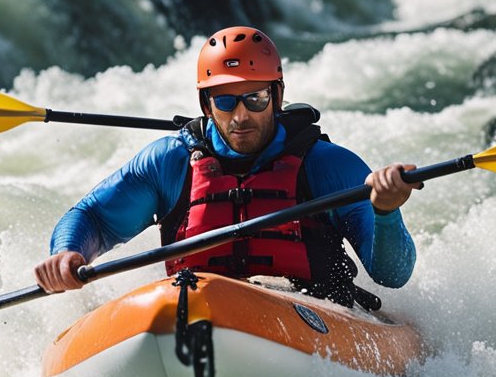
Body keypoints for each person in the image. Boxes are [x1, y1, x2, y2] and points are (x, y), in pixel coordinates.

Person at [34, 25, 420, 309]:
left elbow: (392, 274)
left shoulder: (327, 166)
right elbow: (94, 218)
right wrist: (69, 252)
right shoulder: (171, 162)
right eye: (225, 102)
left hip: (312, 313)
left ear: (278, 96)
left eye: (254, 98)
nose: (240, 116)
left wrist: (386, 212)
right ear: (206, 105)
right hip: (202, 309)